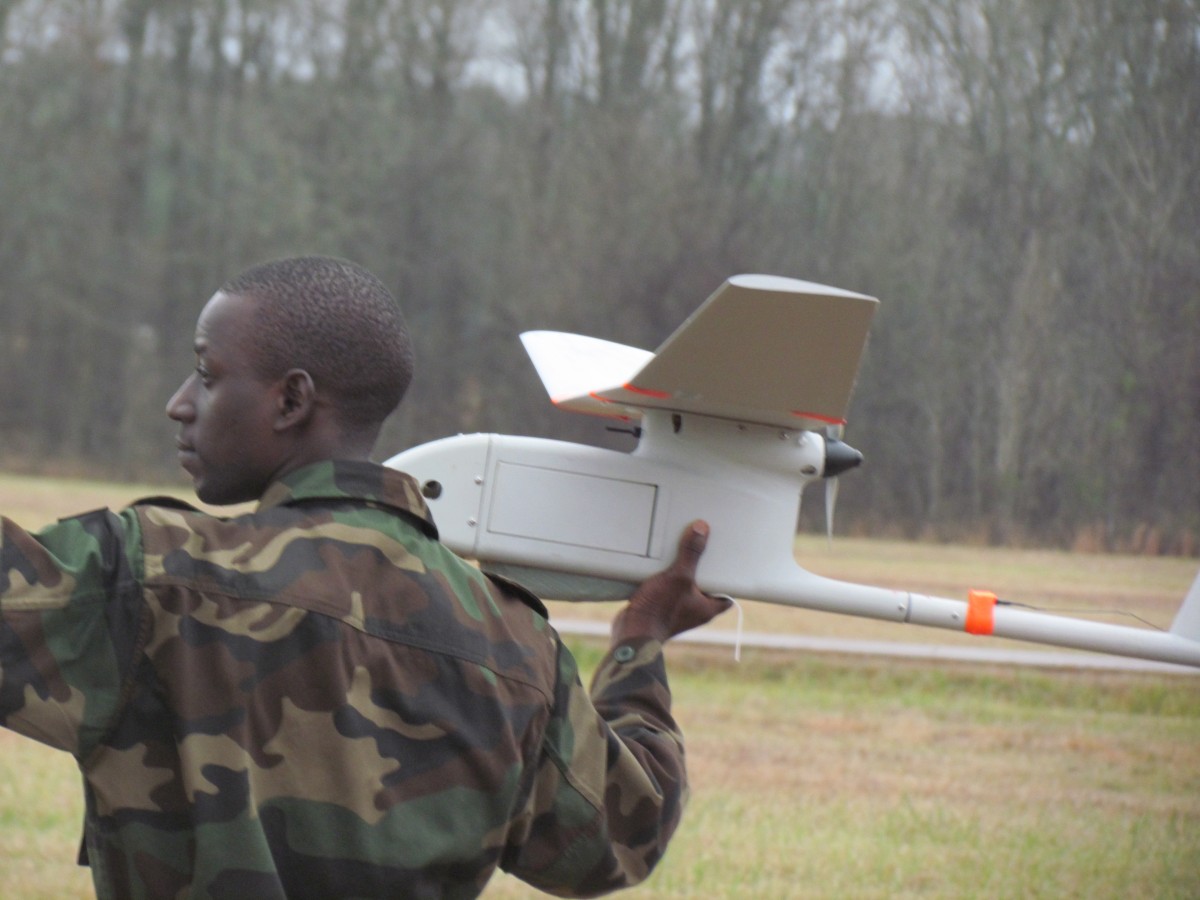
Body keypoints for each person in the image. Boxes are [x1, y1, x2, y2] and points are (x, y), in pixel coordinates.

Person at [0, 255, 732, 899]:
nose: (180, 403)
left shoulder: (154, 579)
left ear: (290, 400)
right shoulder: (516, 649)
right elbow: (621, 839)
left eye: (205, 372)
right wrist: (641, 640)